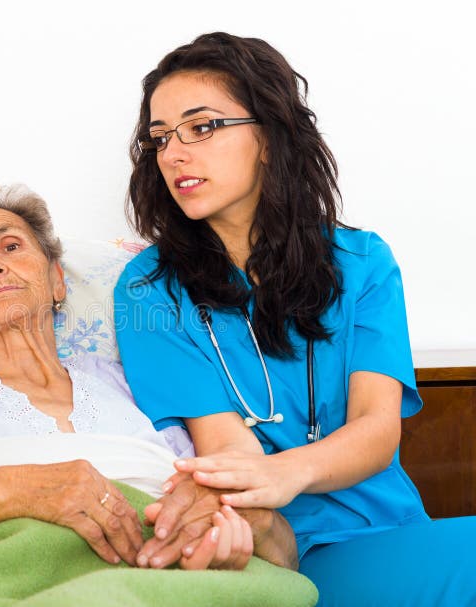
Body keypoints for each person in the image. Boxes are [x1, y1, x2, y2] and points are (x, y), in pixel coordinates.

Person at [0, 176, 300, 598]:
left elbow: (285, 553)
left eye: (11, 246)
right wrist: (8, 491)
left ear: (58, 281)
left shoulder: (142, 387)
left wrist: (239, 528)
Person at [113, 32, 476, 606]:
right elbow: (229, 454)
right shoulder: (149, 290)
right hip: (284, 550)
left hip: (396, 530)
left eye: (201, 127)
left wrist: (292, 471)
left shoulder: (363, 263)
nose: (174, 154)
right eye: (160, 139)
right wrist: (270, 493)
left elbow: (377, 431)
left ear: (268, 135)